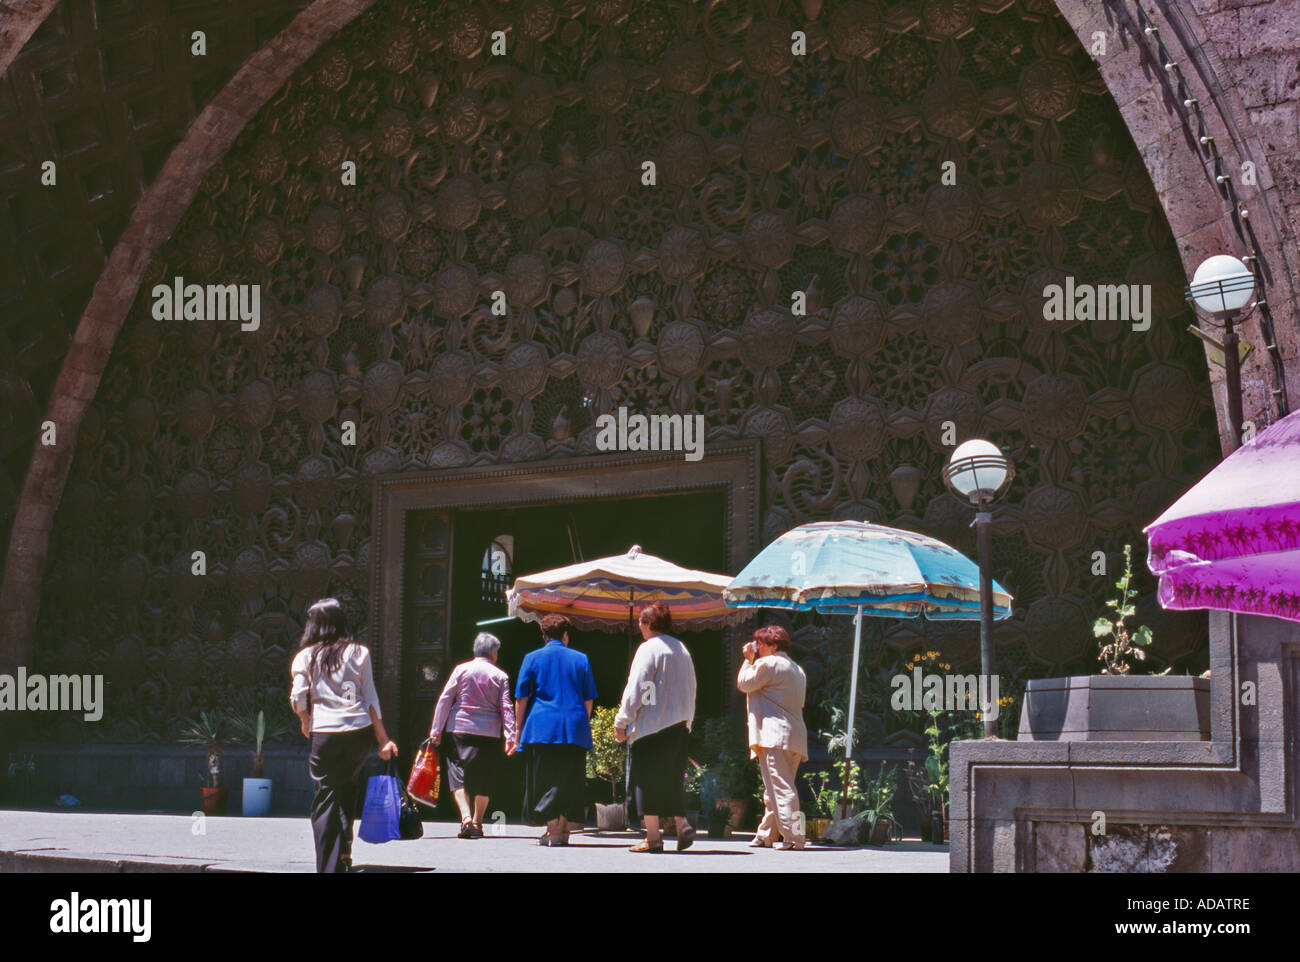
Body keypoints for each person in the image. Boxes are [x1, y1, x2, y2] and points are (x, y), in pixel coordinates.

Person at [290, 598, 397, 873]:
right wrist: (383, 739)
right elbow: (370, 696)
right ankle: (344, 853)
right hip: (358, 734)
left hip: (324, 732)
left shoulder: (306, 656)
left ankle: (328, 867)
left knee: (326, 796)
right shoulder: (359, 652)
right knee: (347, 787)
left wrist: (305, 720)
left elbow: (298, 697)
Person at [614, 601, 697, 853]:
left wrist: (622, 721)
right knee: (672, 778)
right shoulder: (681, 648)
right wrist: (688, 720)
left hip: (653, 724)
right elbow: (692, 686)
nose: (639, 625)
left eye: (641, 621)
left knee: (645, 780)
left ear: (649, 623)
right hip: (680, 723)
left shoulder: (648, 648)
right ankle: (682, 825)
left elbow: (637, 686)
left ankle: (653, 838)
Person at [515, 614, 597, 846]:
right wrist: (580, 722)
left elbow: (522, 698)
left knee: (544, 778)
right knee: (569, 778)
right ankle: (563, 827)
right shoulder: (581, 659)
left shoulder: (531, 658)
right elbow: (588, 699)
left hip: (541, 726)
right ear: (565, 635)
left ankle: (552, 829)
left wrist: (517, 729)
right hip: (574, 725)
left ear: (543, 635)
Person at [430, 632, 518, 839]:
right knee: (484, 776)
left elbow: (445, 699)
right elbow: (506, 707)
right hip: (488, 732)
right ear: (494, 653)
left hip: (459, 729)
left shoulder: (461, 670)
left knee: (457, 773)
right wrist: (510, 735)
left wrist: (436, 730)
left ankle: (466, 818)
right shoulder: (500, 676)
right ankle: (478, 822)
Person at [736, 625, 808, 850]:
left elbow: (745, 683)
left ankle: (795, 838)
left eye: (760, 643)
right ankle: (766, 834)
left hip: (775, 735)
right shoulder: (797, 668)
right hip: (794, 735)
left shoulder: (768, 664)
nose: (756, 647)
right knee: (774, 788)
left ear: (774, 646)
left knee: (782, 788)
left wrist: (748, 659)